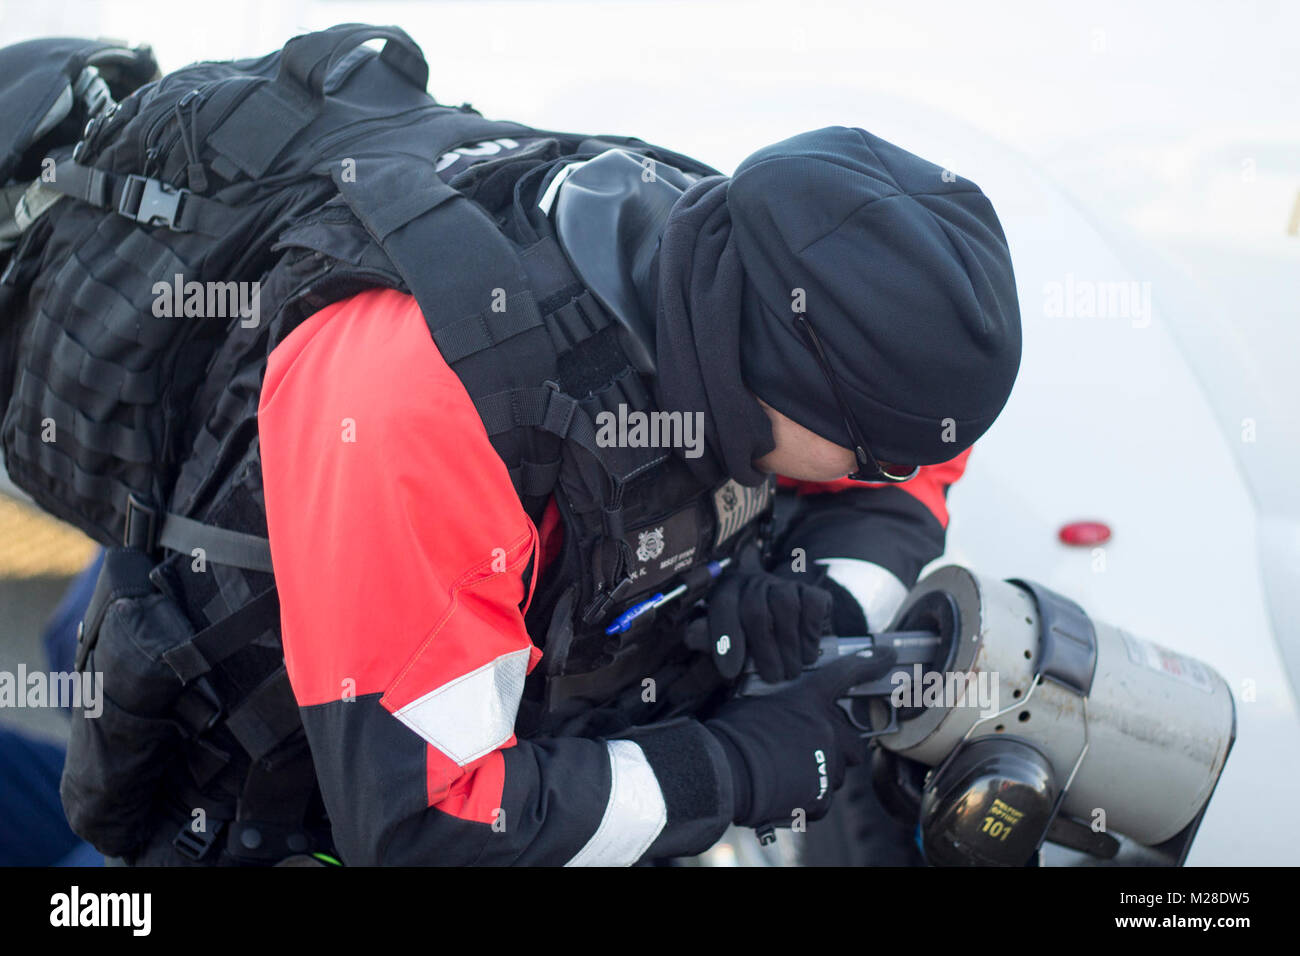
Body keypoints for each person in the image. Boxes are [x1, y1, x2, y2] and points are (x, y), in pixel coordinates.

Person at [249, 125, 1021, 865]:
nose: (881, 474)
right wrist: (735, 766)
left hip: (568, 738)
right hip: (271, 792)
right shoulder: (432, 406)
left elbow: (924, 465)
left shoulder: (758, 281)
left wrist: (830, 602)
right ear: (787, 376)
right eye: (874, 458)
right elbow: (427, 826)